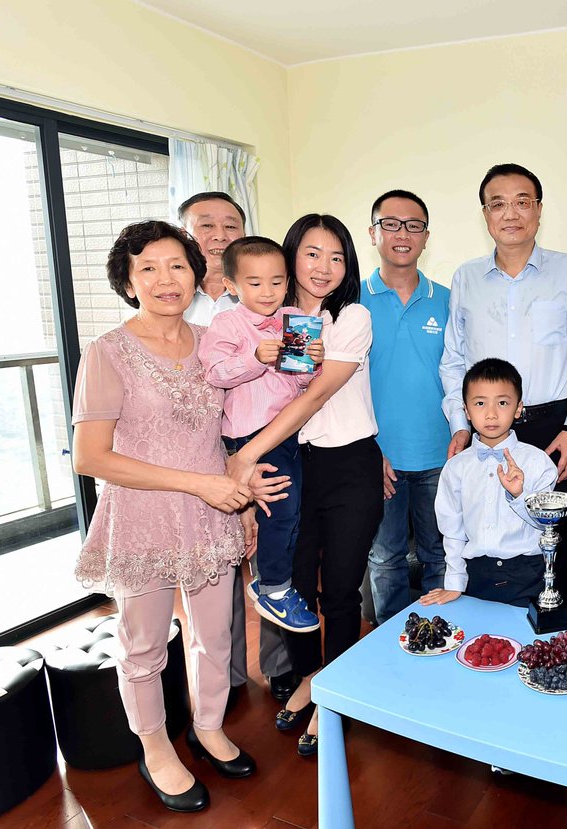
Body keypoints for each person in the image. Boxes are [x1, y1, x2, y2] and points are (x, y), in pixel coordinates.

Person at [71, 221, 285, 811]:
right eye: (148, 268)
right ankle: (156, 747)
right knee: (143, 647)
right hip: (142, 516)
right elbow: (92, 458)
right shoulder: (108, 352)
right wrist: (202, 484)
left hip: (213, 513)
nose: (165, 279)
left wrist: (237, 492)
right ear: (128, 281)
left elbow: (230, 429)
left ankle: (209, 726)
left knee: (216, 637)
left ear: (198, 275)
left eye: (177, 266)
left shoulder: (215, 339)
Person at [226, 214, 381, 757]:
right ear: (290, 258)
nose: (324, 267)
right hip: (294, 462)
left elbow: (313, 397)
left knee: (339, 589)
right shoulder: (265, 320)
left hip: (348, 465)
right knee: (292, 583)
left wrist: (244, 455)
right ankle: (308, 678)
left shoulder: (352, 317)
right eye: (312, 254)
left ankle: (332, 695)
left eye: (336, 257)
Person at [439, 163, 567, 598]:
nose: (510, 213)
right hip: (487, 427)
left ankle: (547, 650)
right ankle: (483, 648)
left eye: (521, 202)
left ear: (538, 210)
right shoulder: (466, 278)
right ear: (485, 214)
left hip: (553, 431)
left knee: (552, 550)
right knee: (482, 539)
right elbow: (454, 361)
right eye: (498, 204)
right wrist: (461, 423)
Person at [179, 190, 296, 704]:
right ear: (187, 232)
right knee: (216, 562)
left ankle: (279, 666)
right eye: (206, 224)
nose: (219, 232)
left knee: (273, 528)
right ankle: (220, 679)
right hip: (202, 446)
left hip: (261, 435)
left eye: (231, 222)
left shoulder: (274, 305)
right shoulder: (176, 293)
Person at [199, 236, 324, 632]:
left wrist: (312, 363)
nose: (267, 291)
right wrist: (253, 358)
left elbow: (300, 379)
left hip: (286, 432)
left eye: (276, 281)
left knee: (289, 513)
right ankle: (272, 587)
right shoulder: (227, 323)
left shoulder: (293, 316)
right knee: (281, 511)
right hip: (251, 434)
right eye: (254, 282)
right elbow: (215, 373)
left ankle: (274, 584)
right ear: (232, 285)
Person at [361, 190, 450, 624]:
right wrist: (365, 451)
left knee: (441, 556)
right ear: (372, 232)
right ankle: (391, 644)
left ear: (426, 236)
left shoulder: (448, 299)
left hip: (441, 454)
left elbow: (463, 377)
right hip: (379, 457)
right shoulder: (349, 301)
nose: (402, 234)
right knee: (385, 558)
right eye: (391, 224)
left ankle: (441, 636)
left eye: (413, 225)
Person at [421, 358, 557, 608]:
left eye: (503, 403)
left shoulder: (539, 462)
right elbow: (451, 529)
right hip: (476, 573)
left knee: (522, 643)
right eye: (480, 403)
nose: (491, 413)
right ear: (466, 410)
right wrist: (454, 581)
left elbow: (546, 525)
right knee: (476, 642)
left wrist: (519, 495)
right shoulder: (456, 467)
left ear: (518, 408)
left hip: (526, 573)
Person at [180, 192, 244, 325]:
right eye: (207, 225)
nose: (220, 236)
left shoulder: (269, 293)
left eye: (230, 227)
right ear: (184, 235)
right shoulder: (169, 294)